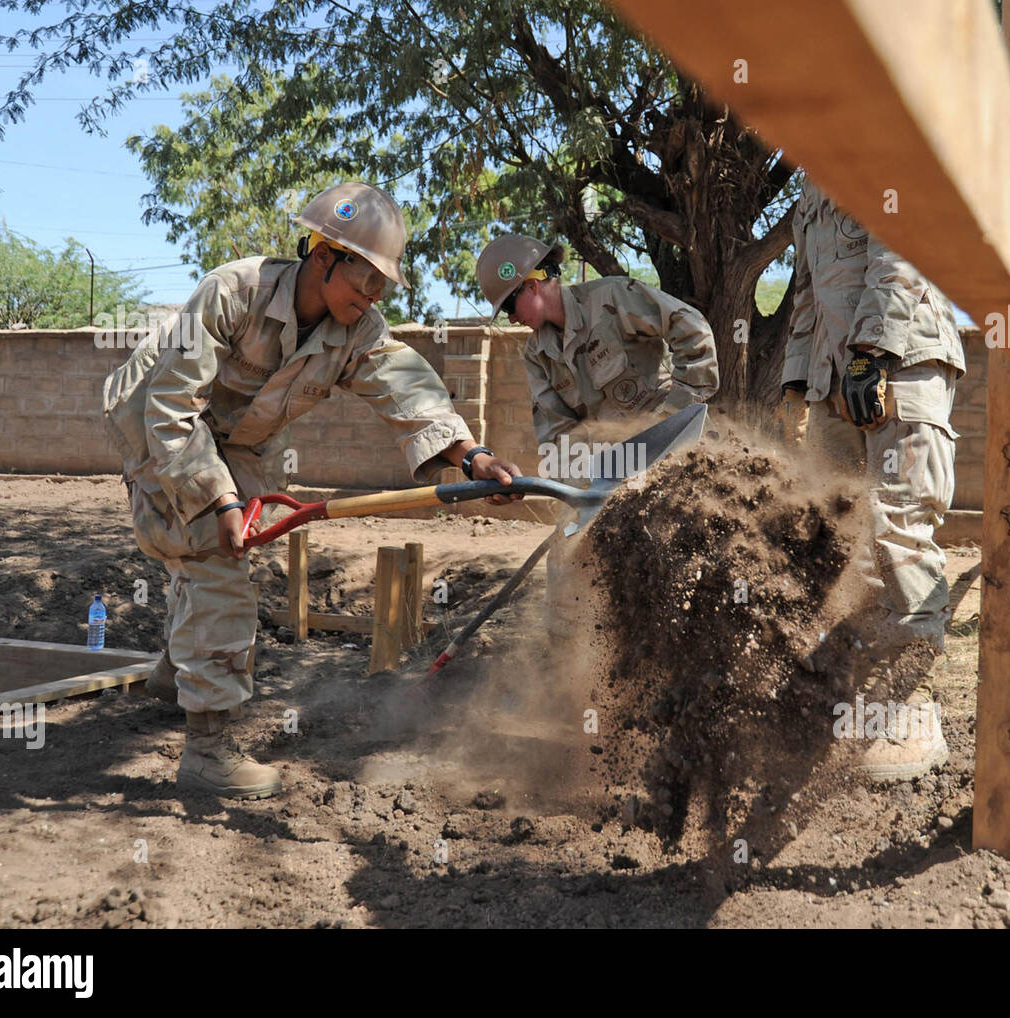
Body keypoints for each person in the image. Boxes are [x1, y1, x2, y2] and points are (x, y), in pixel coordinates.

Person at [103, 182, 523, 800]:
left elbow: (405, 386)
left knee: (213, 554)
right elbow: (171, 409)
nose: (374, 295)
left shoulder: (357, 327)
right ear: (325, 256)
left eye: (383, 285)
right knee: (214, 556)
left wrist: (473, 454)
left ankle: (174, 675)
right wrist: (218, 500)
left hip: (240, 440)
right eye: (368, 279)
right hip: (157, 421)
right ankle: (208, 749)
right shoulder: (232, 292)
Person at [780, 176, 965, 783]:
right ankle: (859, 697)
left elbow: (903, 244)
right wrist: (794, 383)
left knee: (899, 525)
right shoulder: (808, 195)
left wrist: (873, 352)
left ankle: (909, 703)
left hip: (902, 358)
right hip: (835, 377)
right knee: (841, 530)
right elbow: (805, 295)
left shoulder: (878, 146)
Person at [474, 235, 719, 632]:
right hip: (610, 473)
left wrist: (675, 413)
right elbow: (557, 433)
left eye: (509, 307)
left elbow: (692, 329)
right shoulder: (537, 353)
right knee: (565, 559)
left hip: (675, 451)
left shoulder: (612, 298)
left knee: (687, 548)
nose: (510, 320)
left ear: (532, 285)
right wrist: (586, 488)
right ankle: (570, 664)